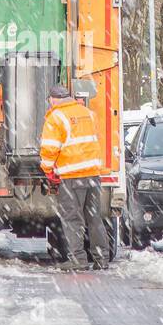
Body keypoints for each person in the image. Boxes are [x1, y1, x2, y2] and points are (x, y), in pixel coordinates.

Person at [39, 84, 108, 269]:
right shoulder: (87, 113)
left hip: (72, 175)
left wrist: (47, 169)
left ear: (53, 99)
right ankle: (101, 258)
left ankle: (78, 259)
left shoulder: (56, 117)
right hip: (93, 173)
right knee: (94, 218)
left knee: (72, 219)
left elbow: (50, 148)